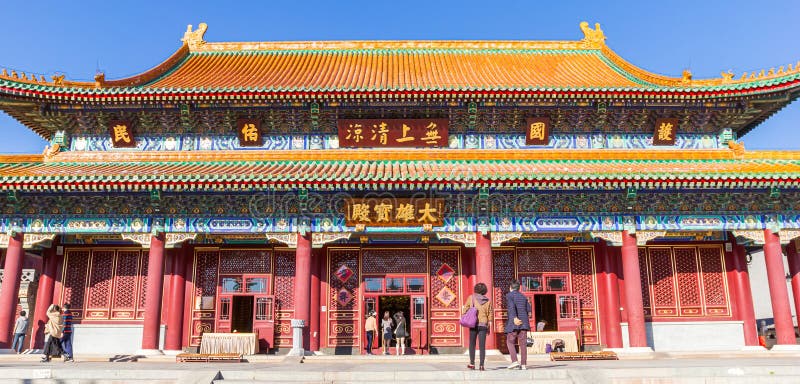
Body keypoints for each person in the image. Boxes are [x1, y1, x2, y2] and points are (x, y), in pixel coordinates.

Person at [463, 283, 492, 371]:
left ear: (475, 289)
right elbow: (490, 314)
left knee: (472, 344)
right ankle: (481, 365)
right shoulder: (487, 301)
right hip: (483, 324)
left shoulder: (471, 298)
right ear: (484, 290)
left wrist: (465, 312)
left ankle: (472, 363)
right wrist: (489, 324)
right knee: (482, 346)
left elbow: (465, 310)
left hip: (473, 324)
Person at [505, 280, 531, 370]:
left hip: (515, 322)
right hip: (524, 322)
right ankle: (523, 364)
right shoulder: (523, 296)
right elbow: (529, 309)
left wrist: (515, 317)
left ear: (510, 287)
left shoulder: (509, 295)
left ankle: (514, 361)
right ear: (519, 288)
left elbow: (511, 307)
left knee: (510, 341)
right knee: (523, 344)